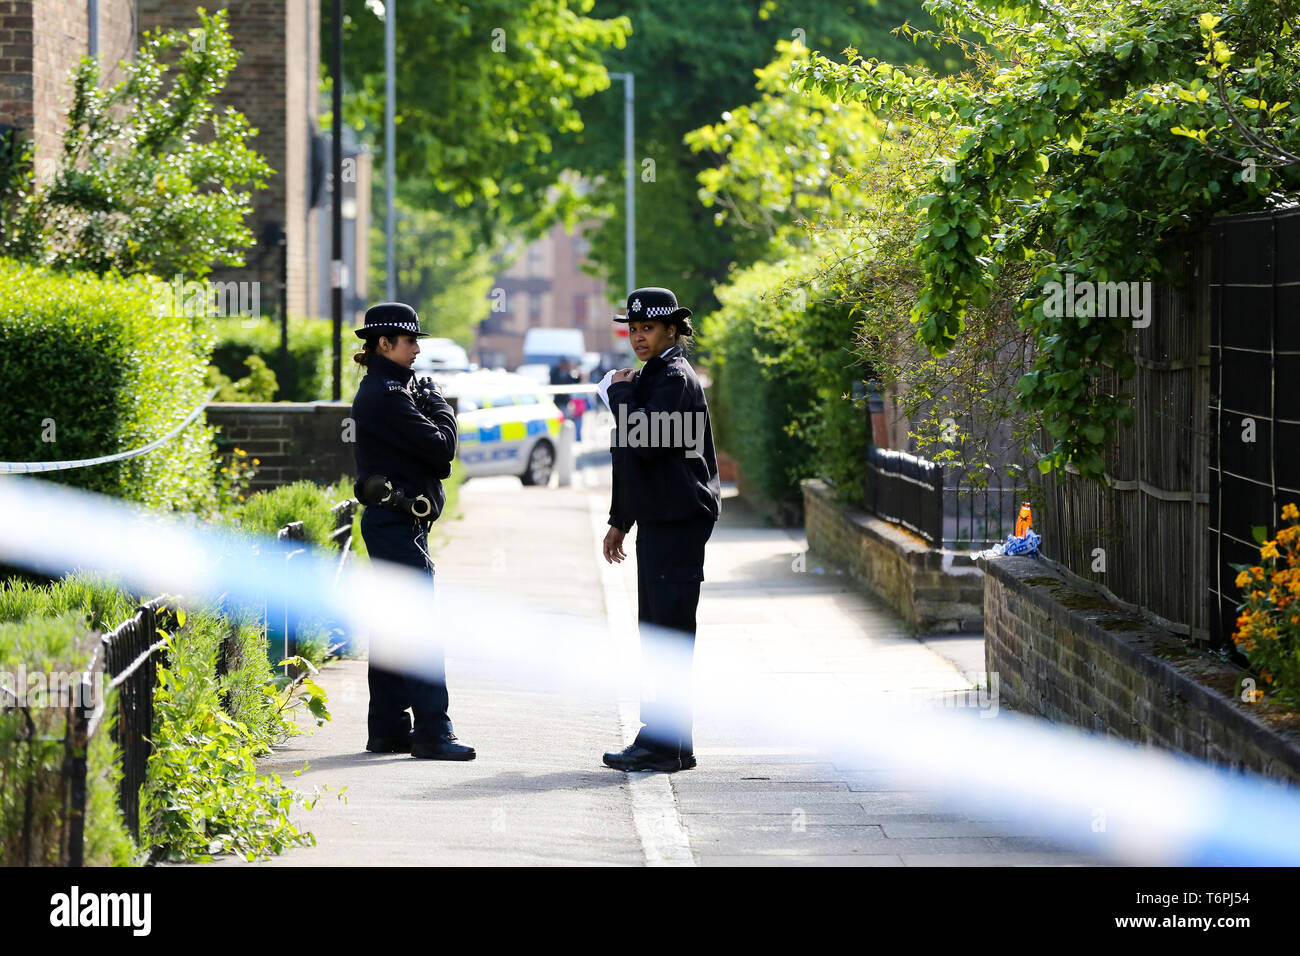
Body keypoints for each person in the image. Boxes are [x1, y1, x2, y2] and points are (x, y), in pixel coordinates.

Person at [599, 287, 722, 773]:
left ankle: (660, 744)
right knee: (659, 630)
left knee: (666, 633)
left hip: (678, 519)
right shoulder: (656, 376)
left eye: (648, 328)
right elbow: (633, 457)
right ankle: (674, 743)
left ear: (672, 329)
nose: (639, 337)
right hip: (662, 517)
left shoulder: (671, 378)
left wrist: (621, 393)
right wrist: (620, 520)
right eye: (633, 329)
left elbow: (643, 444)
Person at [350, 302, 474, 761]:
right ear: (384, 343)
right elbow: (443, 450)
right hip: (396, 525)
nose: (418, 349)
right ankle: (433, 732)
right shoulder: (387, 393)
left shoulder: (393, 388)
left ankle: (387, 728)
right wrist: (439, 405)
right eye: (410, 341)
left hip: (397, 524)